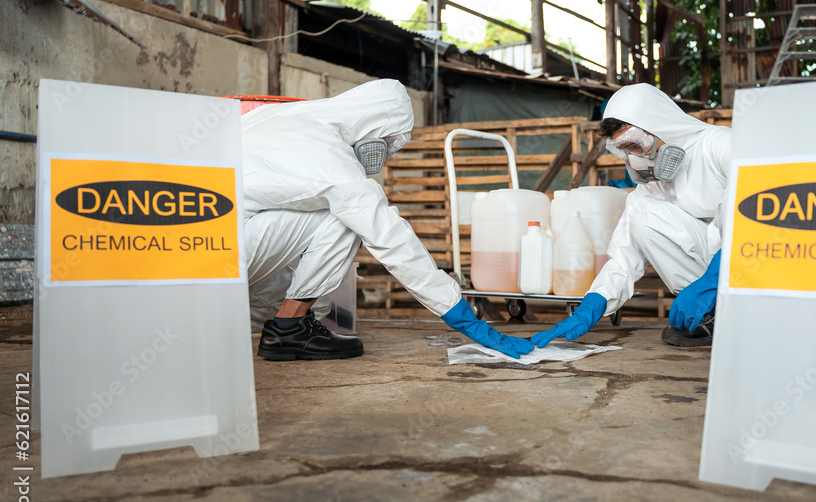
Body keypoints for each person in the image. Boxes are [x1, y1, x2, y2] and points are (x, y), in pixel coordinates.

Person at [240, 79, 533, 361]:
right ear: (373, 124)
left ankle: (284, 325)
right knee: (346, 218)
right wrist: (460, 314)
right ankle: (289, 328)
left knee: (327, 223)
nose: (385, 151)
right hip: (227, 256)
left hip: (205, 245)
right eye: (387, 140)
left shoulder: (282, 116)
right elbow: (391, 239)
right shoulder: (331, 160)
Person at [531, 83, 730, 349]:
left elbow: (758, 218)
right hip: (714, 279)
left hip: (757, 261)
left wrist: (712, 281)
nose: (633, 159)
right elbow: (624, 258)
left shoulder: (719, 145)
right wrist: (593, 304)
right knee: (641, 212)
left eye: (635, 145)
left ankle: (721, 300)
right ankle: (710, 316)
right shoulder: (650, 189)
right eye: (623, 151)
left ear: (660, 126)